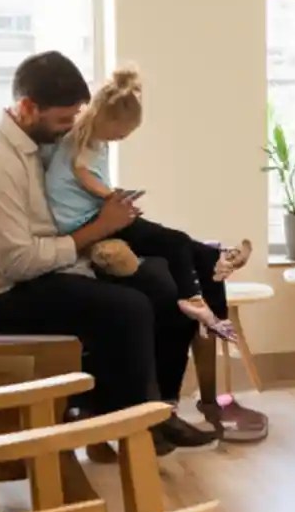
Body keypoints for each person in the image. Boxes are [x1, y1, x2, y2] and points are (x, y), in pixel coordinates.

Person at [0, 50, 216, 454]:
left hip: (51, 271)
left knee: (163, 283)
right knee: (127, 308)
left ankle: (157, 409)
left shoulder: (38, 143)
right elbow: (17, 263)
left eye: (76, 116)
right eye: (62, 120)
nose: (70, 128)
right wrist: (98, 229)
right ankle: (132, 426)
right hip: (5, 294)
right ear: (26, 107)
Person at [43, 66, 250, 342]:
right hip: (85, 221)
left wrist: (112, 194)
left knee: (180, 244)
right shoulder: (81, 139)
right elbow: (82, 174)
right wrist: (110, 197)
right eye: (119, 134)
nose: (120, 140)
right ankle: (195, 295)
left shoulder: (96, 140)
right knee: (174, 242)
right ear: (105, 118)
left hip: (92, 213)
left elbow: (86, 177)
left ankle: (216, 287)